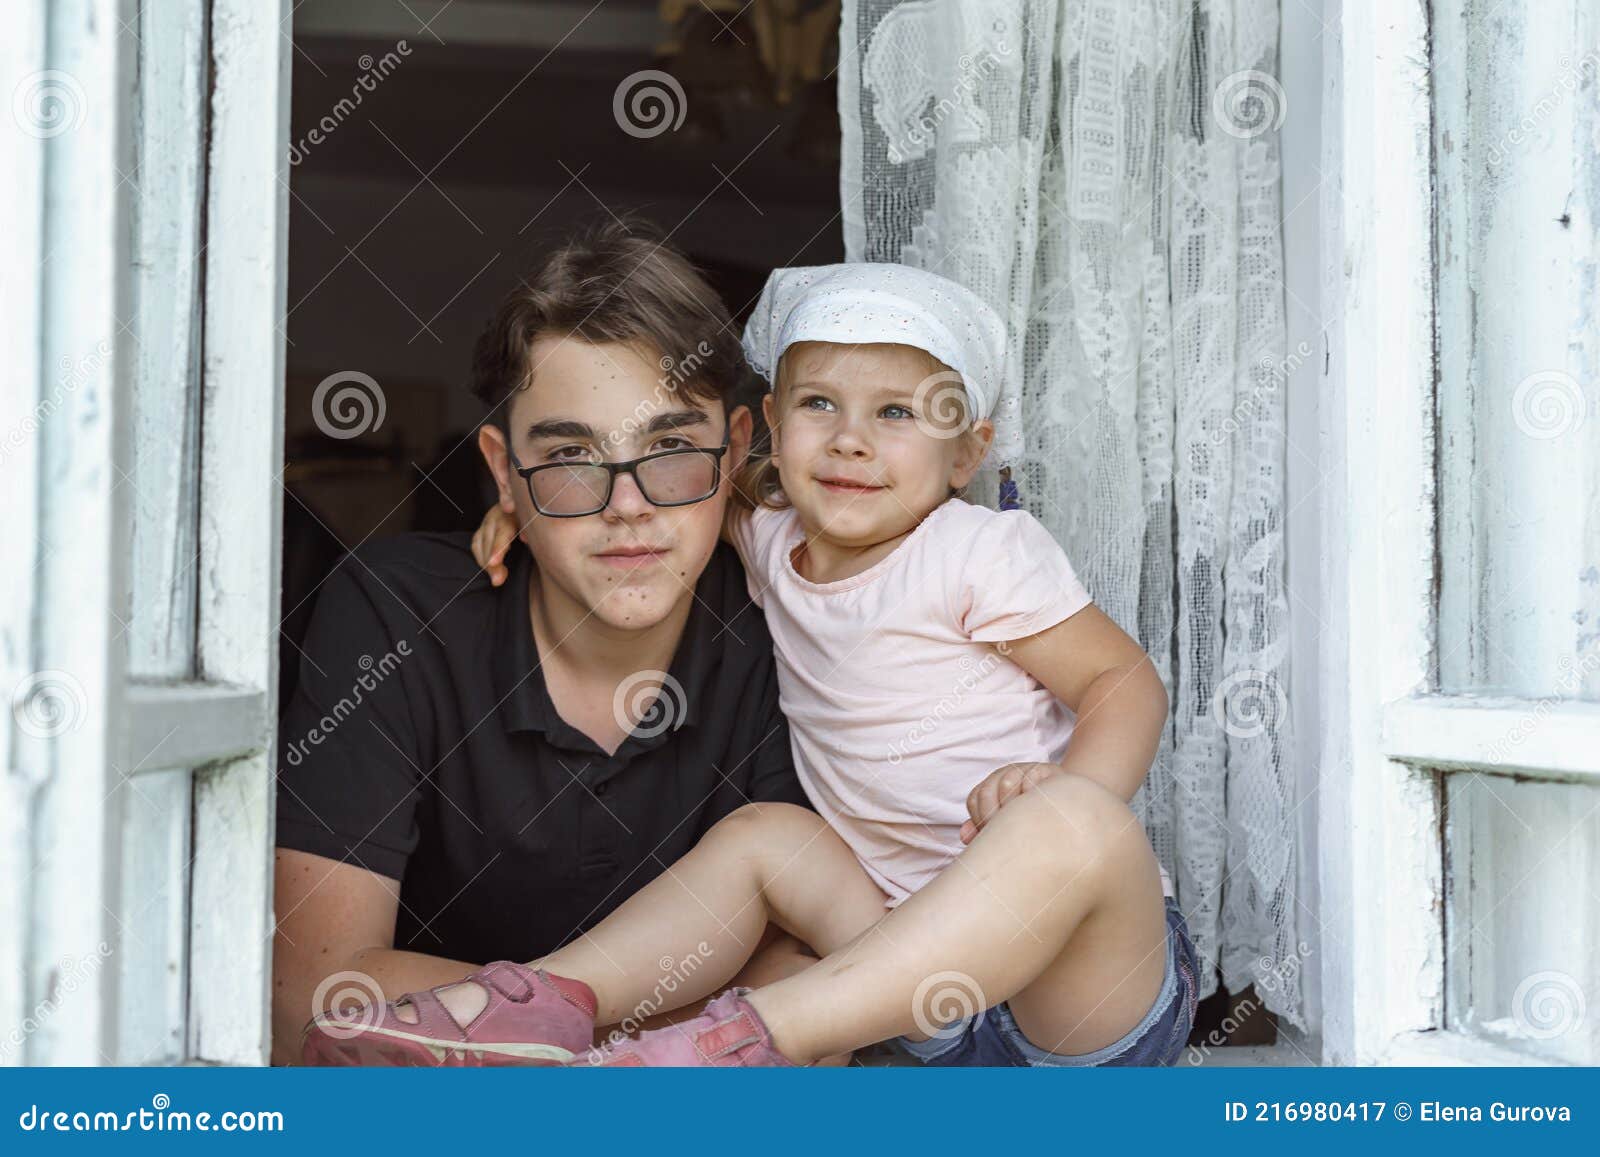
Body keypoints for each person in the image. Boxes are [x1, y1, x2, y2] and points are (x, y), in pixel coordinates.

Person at [304, 263, 1196, 1069]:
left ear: (968, 451)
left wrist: (1061, 785)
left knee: (1077, 827)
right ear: (769, 430)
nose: (851, 441)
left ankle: (751, 1036)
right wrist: (532, 511)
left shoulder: (981, 552)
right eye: (819, 406)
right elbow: (682, 487)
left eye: (897, 413)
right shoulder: (771, 543)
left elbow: (1123, 682)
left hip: (1063, 988)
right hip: (897, 979)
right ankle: (537, 1004)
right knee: (766, 838)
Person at [275, 219, 821, 1067]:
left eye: (671, 449)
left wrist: (503, 1030)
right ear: (504, 473)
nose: (628, 504)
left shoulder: (791, 621)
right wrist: (669, 1038)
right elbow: (318, 996)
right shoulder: (398, 615)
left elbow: (811, 977)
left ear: (737, 449)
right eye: (572, 457)